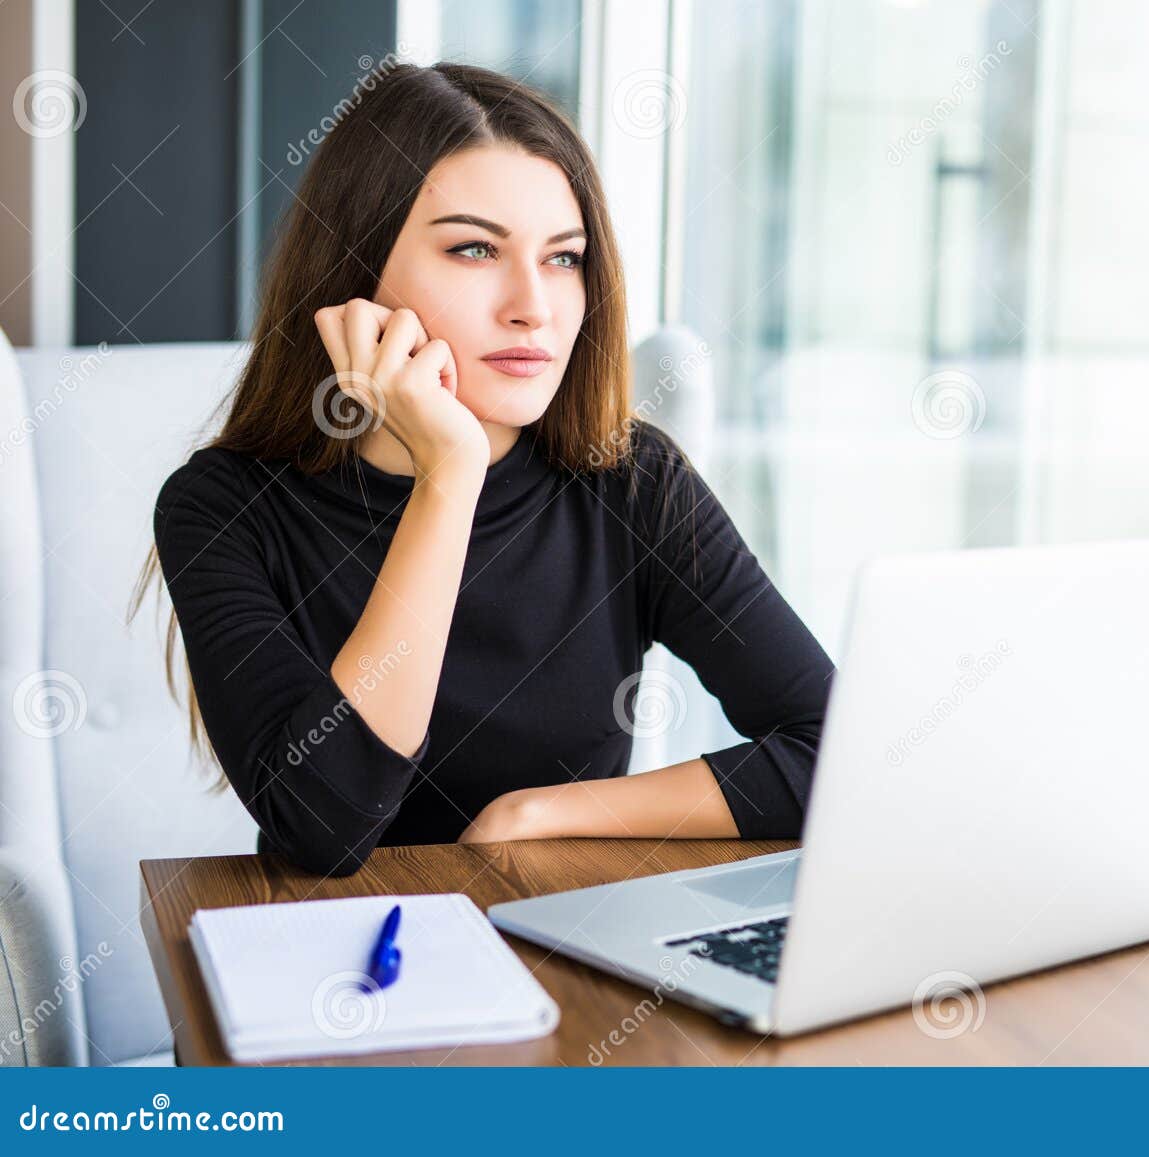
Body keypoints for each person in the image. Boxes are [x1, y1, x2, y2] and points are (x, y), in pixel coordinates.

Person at [132, 62, 834, 878]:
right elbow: (325, 825)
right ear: (356, 273)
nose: (532, 305)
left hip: (565, 948)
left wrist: (541, 812)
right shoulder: (223, 508)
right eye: (475, 249)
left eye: (564, 258)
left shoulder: (632, 480)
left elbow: (835, 753)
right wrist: (450, 473)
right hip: (335, 964)